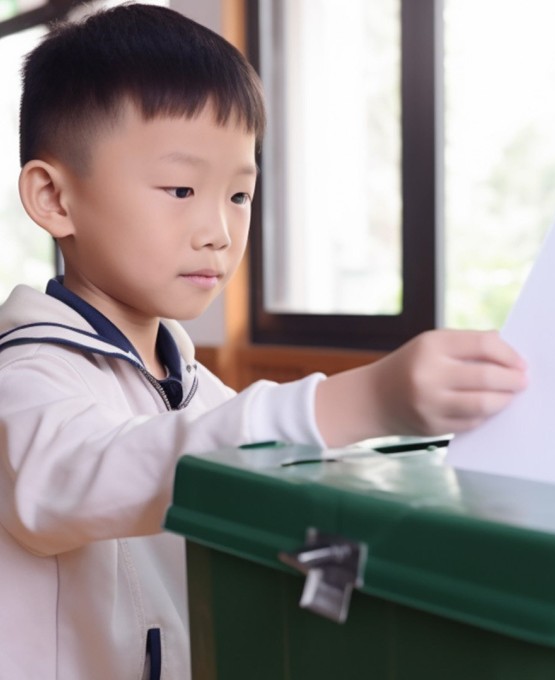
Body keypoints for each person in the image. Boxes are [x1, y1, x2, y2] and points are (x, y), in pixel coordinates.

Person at [0, 5, 526, 679]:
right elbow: (79, 478)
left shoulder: (187, 382)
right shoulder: (26, 377)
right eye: (181, 188)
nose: (219, 230)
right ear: (54, 198)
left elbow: (262, 460)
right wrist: (358, 399)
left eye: (241, 195)